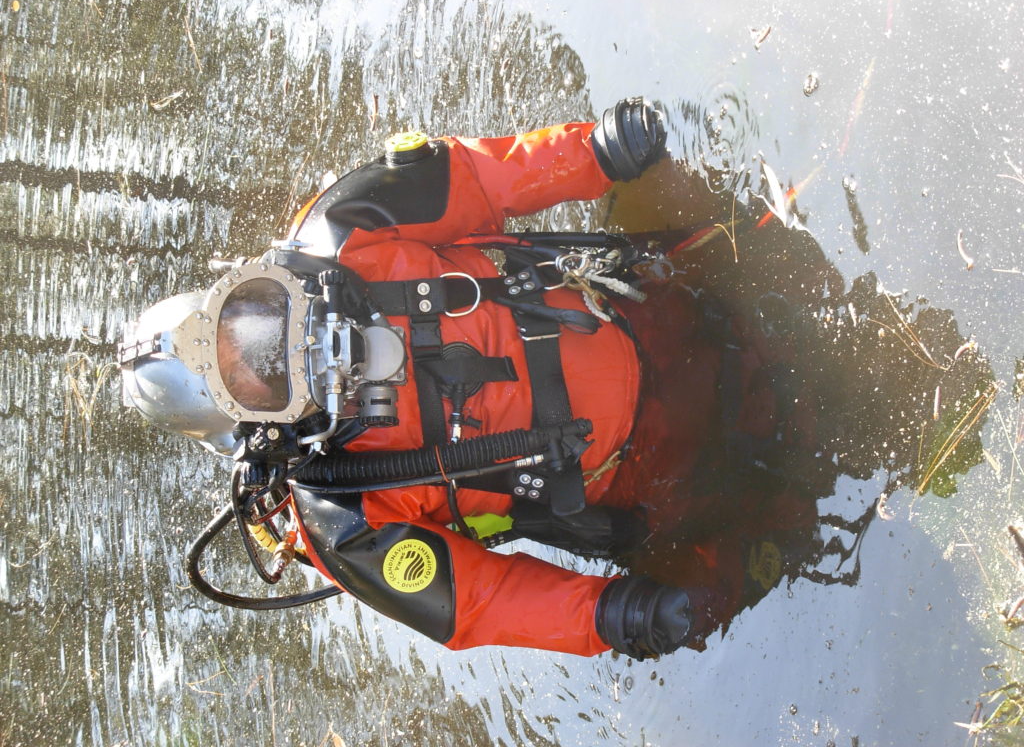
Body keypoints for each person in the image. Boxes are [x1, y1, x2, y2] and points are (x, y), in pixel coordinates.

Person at [120, 97, 775, 659]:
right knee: (749, 529)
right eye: (261, 377)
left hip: (627, 313)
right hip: (628, 475)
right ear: (257, 431)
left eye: (256, 318)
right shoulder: (339, 514)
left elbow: (479, 180)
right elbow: (482, 601)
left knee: (754, 327)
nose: (294, 346)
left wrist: (595, 153)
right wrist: (611, 617)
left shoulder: (344, 229)